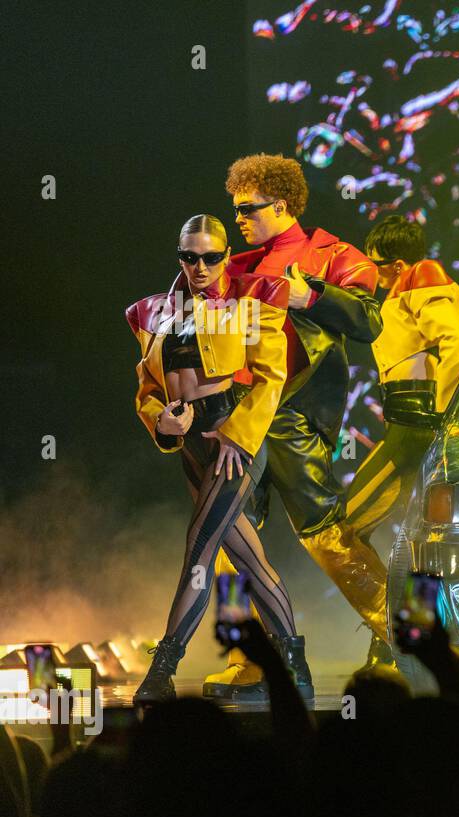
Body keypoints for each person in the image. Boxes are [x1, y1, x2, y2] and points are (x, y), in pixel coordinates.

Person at [202, 154, 390, 700]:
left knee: (326, 534)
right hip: (242, 413)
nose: (237, 217)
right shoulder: (233, 265)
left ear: (280, 205)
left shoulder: (331, 256)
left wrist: (312, 295)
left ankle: (404, 641)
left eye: (247, 208)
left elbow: (368, 321)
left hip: (293, 413)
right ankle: (253, 660)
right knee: (227, 537)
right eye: (235, 207)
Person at [127, 215, 304, 703]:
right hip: (192, 443)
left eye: (210, 257)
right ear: (179, 256)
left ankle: (160, 674)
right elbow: (145, 389)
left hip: (232, 435)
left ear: (226, 255)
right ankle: (296, 668)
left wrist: (239, 434)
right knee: (248, 560)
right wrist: (160, 421)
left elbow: (271, 376)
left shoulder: (254, 296)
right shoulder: (149, 312)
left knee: (199, 550)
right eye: (190, 257)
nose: (200, 266)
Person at [343, 215, 459, 570]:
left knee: (345, 528)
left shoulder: (422, 274)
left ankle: (385, 621)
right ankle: (402, 623)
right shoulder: (403, 289)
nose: (374, 274)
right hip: (408, 421)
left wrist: (444, 415)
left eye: (378, 265)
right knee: (419, 536)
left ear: (398, 264)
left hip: (417, 424)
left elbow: (456, 344)